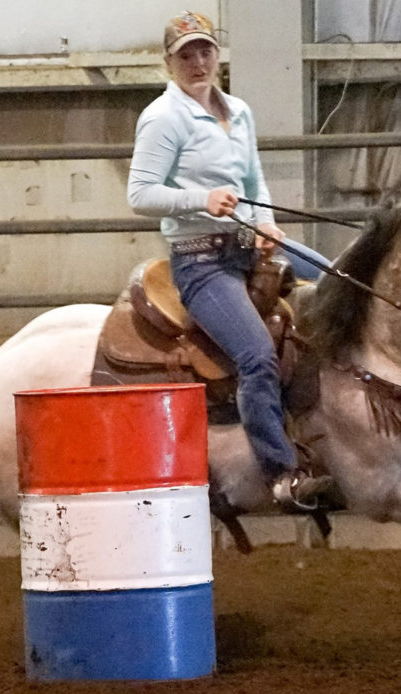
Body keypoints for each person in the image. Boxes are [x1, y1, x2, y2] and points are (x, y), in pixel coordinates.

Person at [127, 10, 332, 511]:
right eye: (185, 55)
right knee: (256, 356)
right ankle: (282, 473)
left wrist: (265, 223)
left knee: (334, 283)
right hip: (201, 261)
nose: (197, 62)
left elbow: (254, 181)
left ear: (218, 55)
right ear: (169, 62)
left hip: (250, 247)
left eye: (204, 51)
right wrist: (200, 198)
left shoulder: (238, 111)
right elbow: (141, 193)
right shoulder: (163, 117)